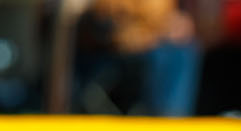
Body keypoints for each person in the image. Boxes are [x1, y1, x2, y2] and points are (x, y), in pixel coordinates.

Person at [73, 0, 206, 116]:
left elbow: (166, 18)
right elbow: (99, 15)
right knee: (173, 57)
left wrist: (175, 24)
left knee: (181, 52)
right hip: (105, 50)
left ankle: (170, 130)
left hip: (149, 47)